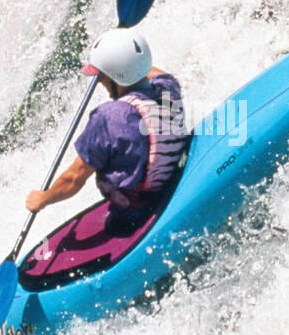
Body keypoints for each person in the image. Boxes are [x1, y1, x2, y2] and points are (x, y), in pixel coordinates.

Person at [25, 28, 187, 232]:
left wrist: (43, 199)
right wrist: (123, 51)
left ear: (114, 76)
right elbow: (146, 70)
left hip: (134, 215)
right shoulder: (167, 88)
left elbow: (74, 179)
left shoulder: (109, 119)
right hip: (171, 182)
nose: (99, 81)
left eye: (101, 75)